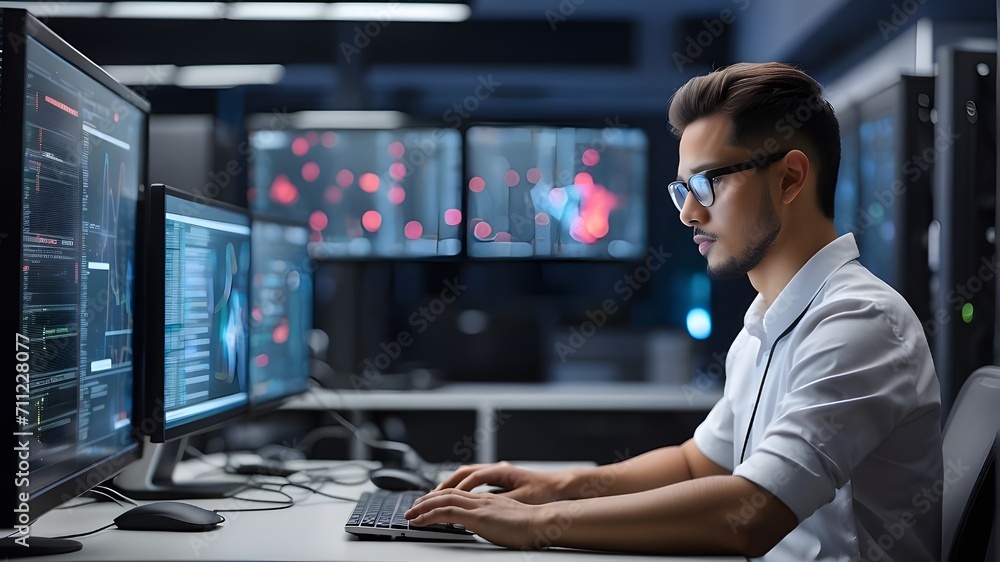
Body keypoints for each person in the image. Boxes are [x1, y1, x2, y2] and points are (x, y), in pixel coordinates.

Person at [404, 62, 943, 561]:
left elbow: (750, 514)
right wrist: (554, 486)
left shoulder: (859, 321)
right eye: (683, 188)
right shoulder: (767, 321)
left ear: (789, 178)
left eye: (709, 182)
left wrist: (537, 523)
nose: (689, 211)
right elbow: (697, 463)